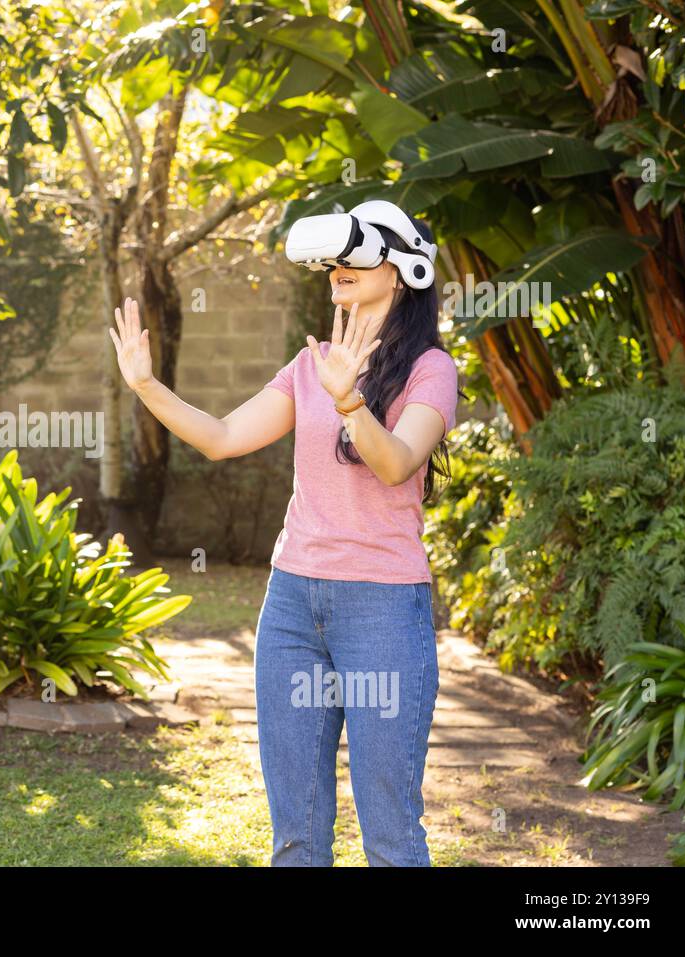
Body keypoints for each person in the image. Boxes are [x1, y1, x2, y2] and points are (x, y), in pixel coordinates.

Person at [108, 206, 459, 866]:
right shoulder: (311, 365)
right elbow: (221, 437)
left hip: (382, 608)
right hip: (294, 606)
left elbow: (396, 462)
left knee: (391, 832)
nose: (336, 273)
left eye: (353, 260)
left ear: (403, 268)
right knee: (295, 836)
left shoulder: (430, 369)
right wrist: (146, 383)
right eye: (332, 264)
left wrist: (351, 400)